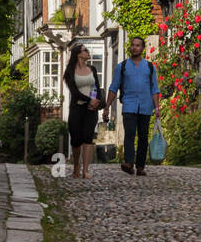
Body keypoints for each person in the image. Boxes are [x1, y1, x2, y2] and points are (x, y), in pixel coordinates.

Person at [106, 35, 160, 176]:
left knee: (143, 137)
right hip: (129, 105)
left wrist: (157, 107)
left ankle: (140, 166)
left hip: (146, 106)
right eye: (132, 45)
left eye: (137, 45)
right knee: (129, 134)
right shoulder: (122, 67)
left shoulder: (149, 67)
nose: (134, 47)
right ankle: (129, 163)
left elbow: (154, 89)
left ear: (142, 48)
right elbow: (113, 87)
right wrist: (107, 107)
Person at [63, 43, 103, 179]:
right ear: (78, 54)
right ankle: (76, 168)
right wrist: (88, 100)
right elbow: (74, 92)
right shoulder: (69, 72)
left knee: (88, 138)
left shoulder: (92, 69)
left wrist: (96, 101)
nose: (87, 52)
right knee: (76, 139)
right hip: (77, 108)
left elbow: (96, 87)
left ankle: (86, 170)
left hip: (91, 109)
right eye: (85, 50)